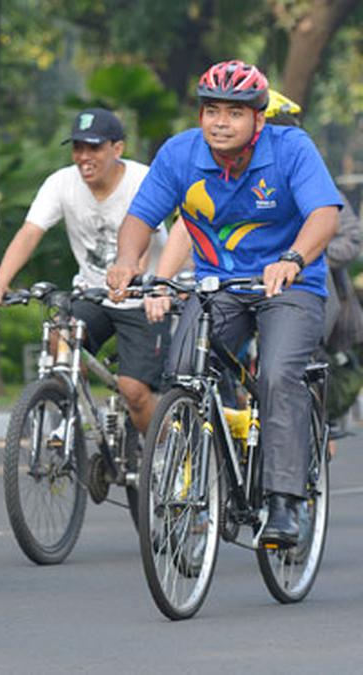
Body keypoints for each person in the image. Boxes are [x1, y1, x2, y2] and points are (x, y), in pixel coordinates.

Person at [108, 60, 341, 548]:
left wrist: (294, 259)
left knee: (278, 375)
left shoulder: (290, 149)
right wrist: (128, 262)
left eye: (235, 113)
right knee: (182, 373)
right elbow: (141, 217)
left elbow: (323, 214)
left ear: (259, 119)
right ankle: (212, 471)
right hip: (220, 287)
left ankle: (284, 501)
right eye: (211, 110)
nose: (220, 122)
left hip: (289, 285)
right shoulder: (180, 154)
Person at [0, 108, 170, 435]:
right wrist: (0, 282)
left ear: (117, 148)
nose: (83, 157)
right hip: (93, 293)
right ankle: (69, 420)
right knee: (61, 334)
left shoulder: (143, 180)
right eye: (77, 148)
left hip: (144, 300)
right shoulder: (61, 183)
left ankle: (162, 457)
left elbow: (144, 241)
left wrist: (134, 281)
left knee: (134, 392)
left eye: (94, 147)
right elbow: (31, 232)